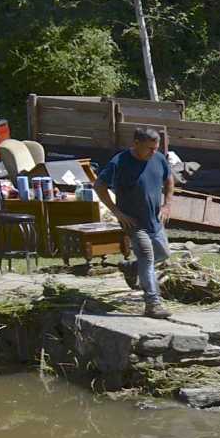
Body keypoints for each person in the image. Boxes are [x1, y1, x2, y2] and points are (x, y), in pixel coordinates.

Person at [94, 126, 177, 319]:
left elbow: (169, 180)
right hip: (133, 221)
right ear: (136, 143)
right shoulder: (120, 162)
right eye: (149, 148)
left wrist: (167, 205)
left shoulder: (158, 158)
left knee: (163, 253)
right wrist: (116, 212)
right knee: (147, 257)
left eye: (156, 148)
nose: (153, 152)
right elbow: (99, 185)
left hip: (154, 220)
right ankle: (153, 304)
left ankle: (132, 267)